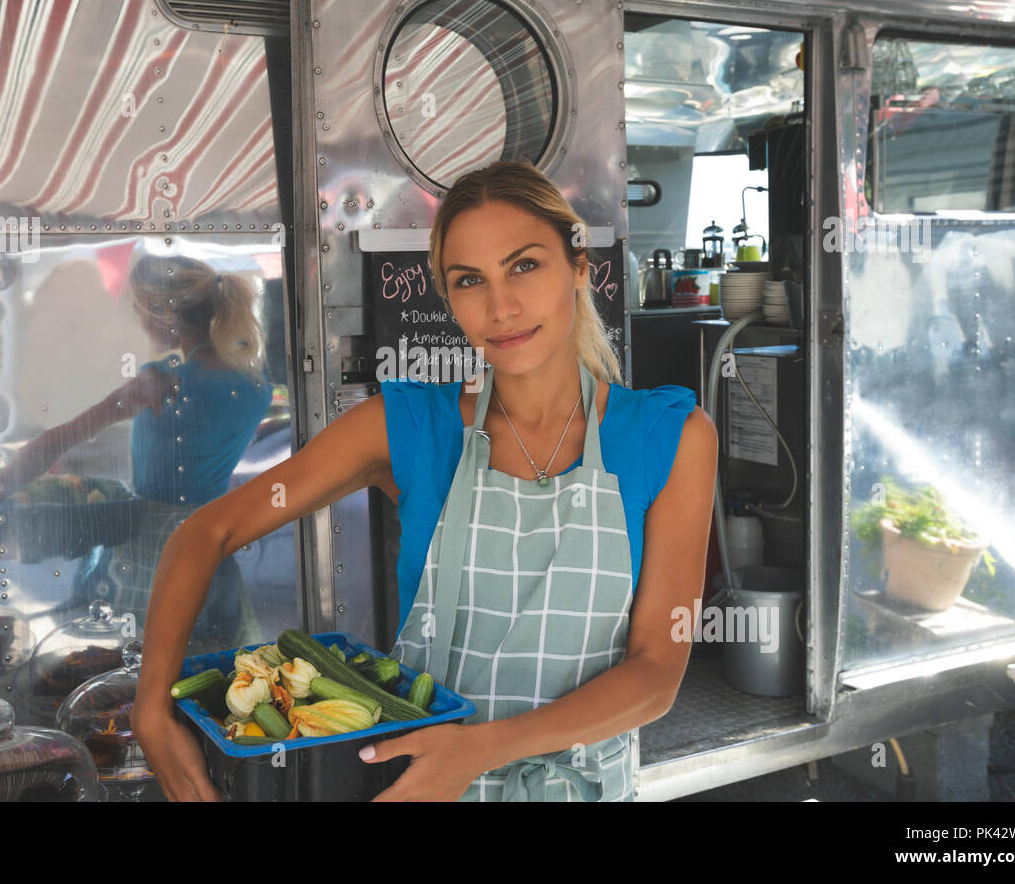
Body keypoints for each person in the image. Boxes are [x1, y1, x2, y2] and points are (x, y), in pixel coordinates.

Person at [133, 161, 718, 801]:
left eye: (525, 265)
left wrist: (480, 750)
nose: (502, 306)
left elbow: (658, 671)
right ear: (450, 296)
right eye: (471, 280)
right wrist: (151, 708)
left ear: (578, 267)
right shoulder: (408, 426)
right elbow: (206, 531)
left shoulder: (671, 438)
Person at [0, 254, 273, 652]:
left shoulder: (162, 383)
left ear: (166, 315)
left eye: (139, 310)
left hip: (152, 550)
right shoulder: (256, 384)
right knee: (204, 661)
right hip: (212, 541)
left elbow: (67, 436)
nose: (139, 321)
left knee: (139, 665)